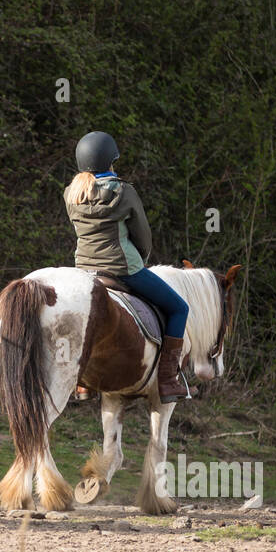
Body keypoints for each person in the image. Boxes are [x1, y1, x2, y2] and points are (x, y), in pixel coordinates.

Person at [65, 131, 190, 402]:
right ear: (111, 161)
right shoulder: (124, 192)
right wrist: (141, 259)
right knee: (180, 308)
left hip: (83, 270)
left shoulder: (71, 194)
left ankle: (83, 381)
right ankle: (168, 380)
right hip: (122, 268)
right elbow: (142, 236)